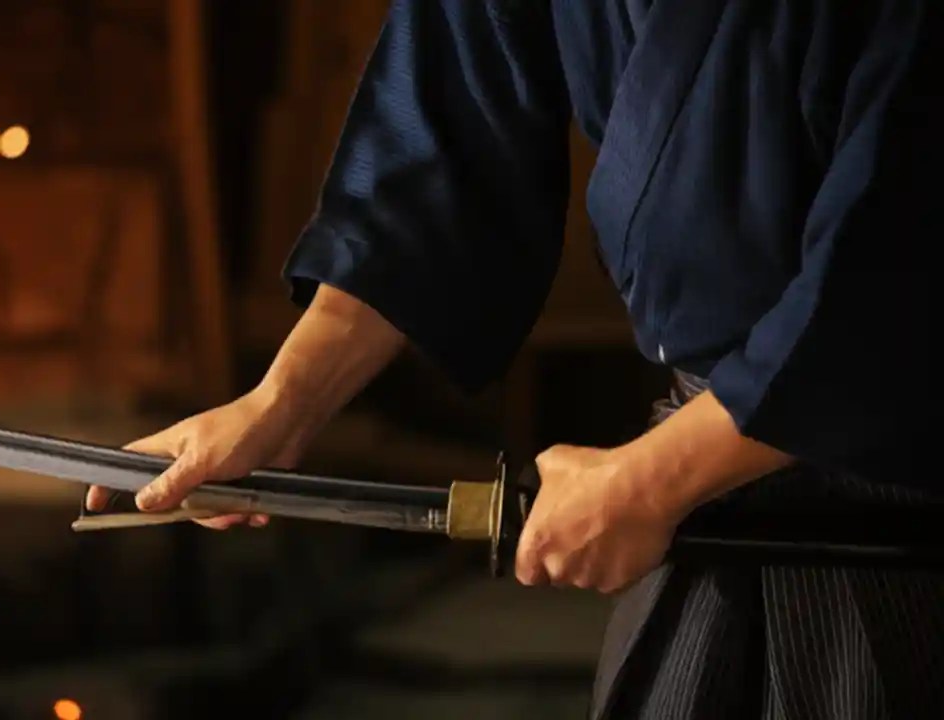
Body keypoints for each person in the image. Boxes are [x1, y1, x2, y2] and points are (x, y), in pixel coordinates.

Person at [87, 1, 943, 717]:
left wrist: (653, 481)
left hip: (887, 493)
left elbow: (899, 264)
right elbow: (436, 145)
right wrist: (281, 402)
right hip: (700, 492)